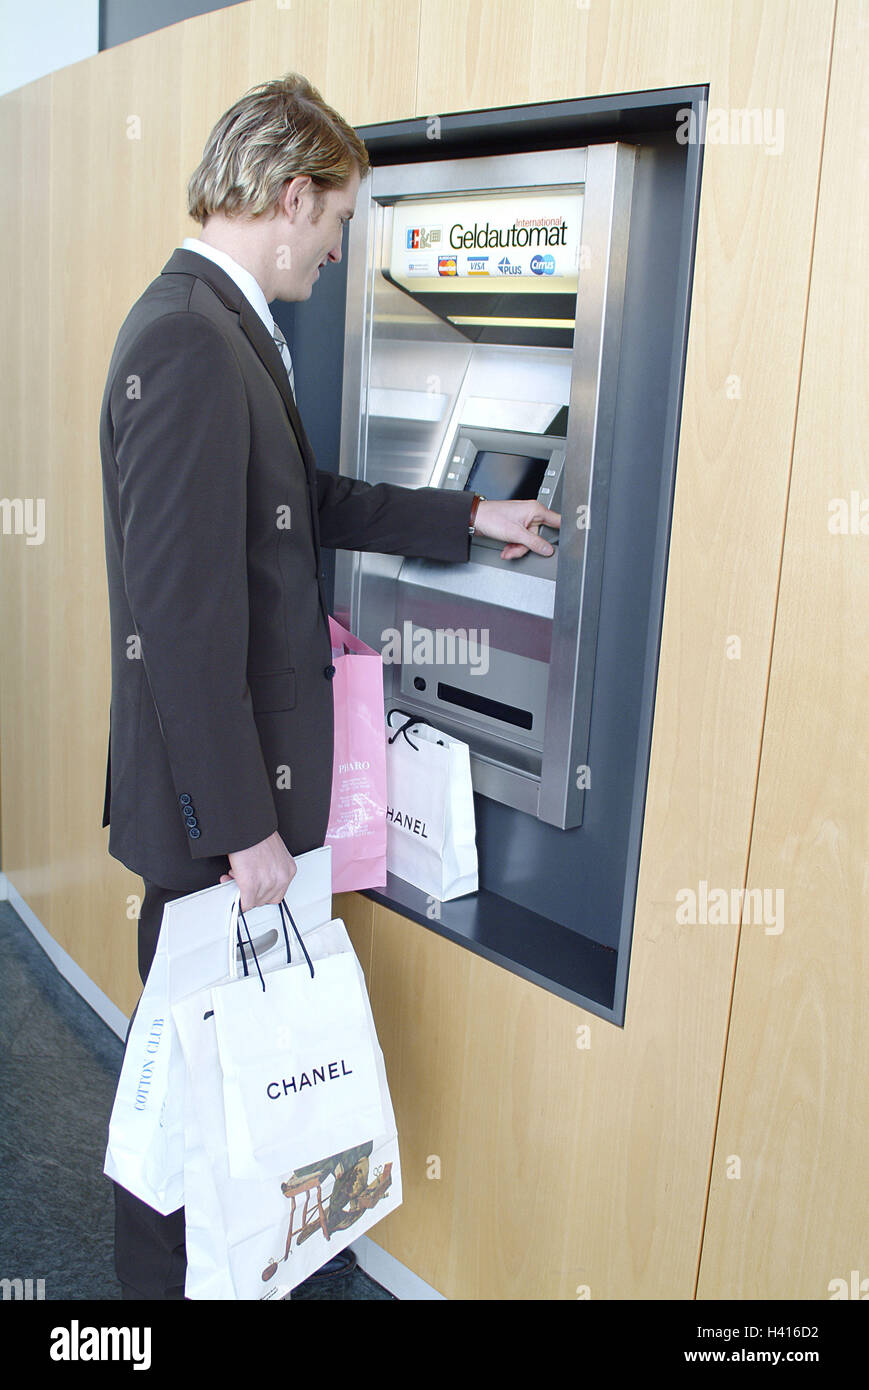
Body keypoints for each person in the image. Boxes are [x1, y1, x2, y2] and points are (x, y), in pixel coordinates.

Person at [99, 72, 561, 1300]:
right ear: (291, 194)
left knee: (223, 1106)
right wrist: (243, 826)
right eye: (341, 217)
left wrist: (472, 514)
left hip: (240, 814)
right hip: (223, 833)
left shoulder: (221, 329)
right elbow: (182, 623)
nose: (341, 245)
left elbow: (307, 508)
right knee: (186, 1130)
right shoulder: (186, 341)